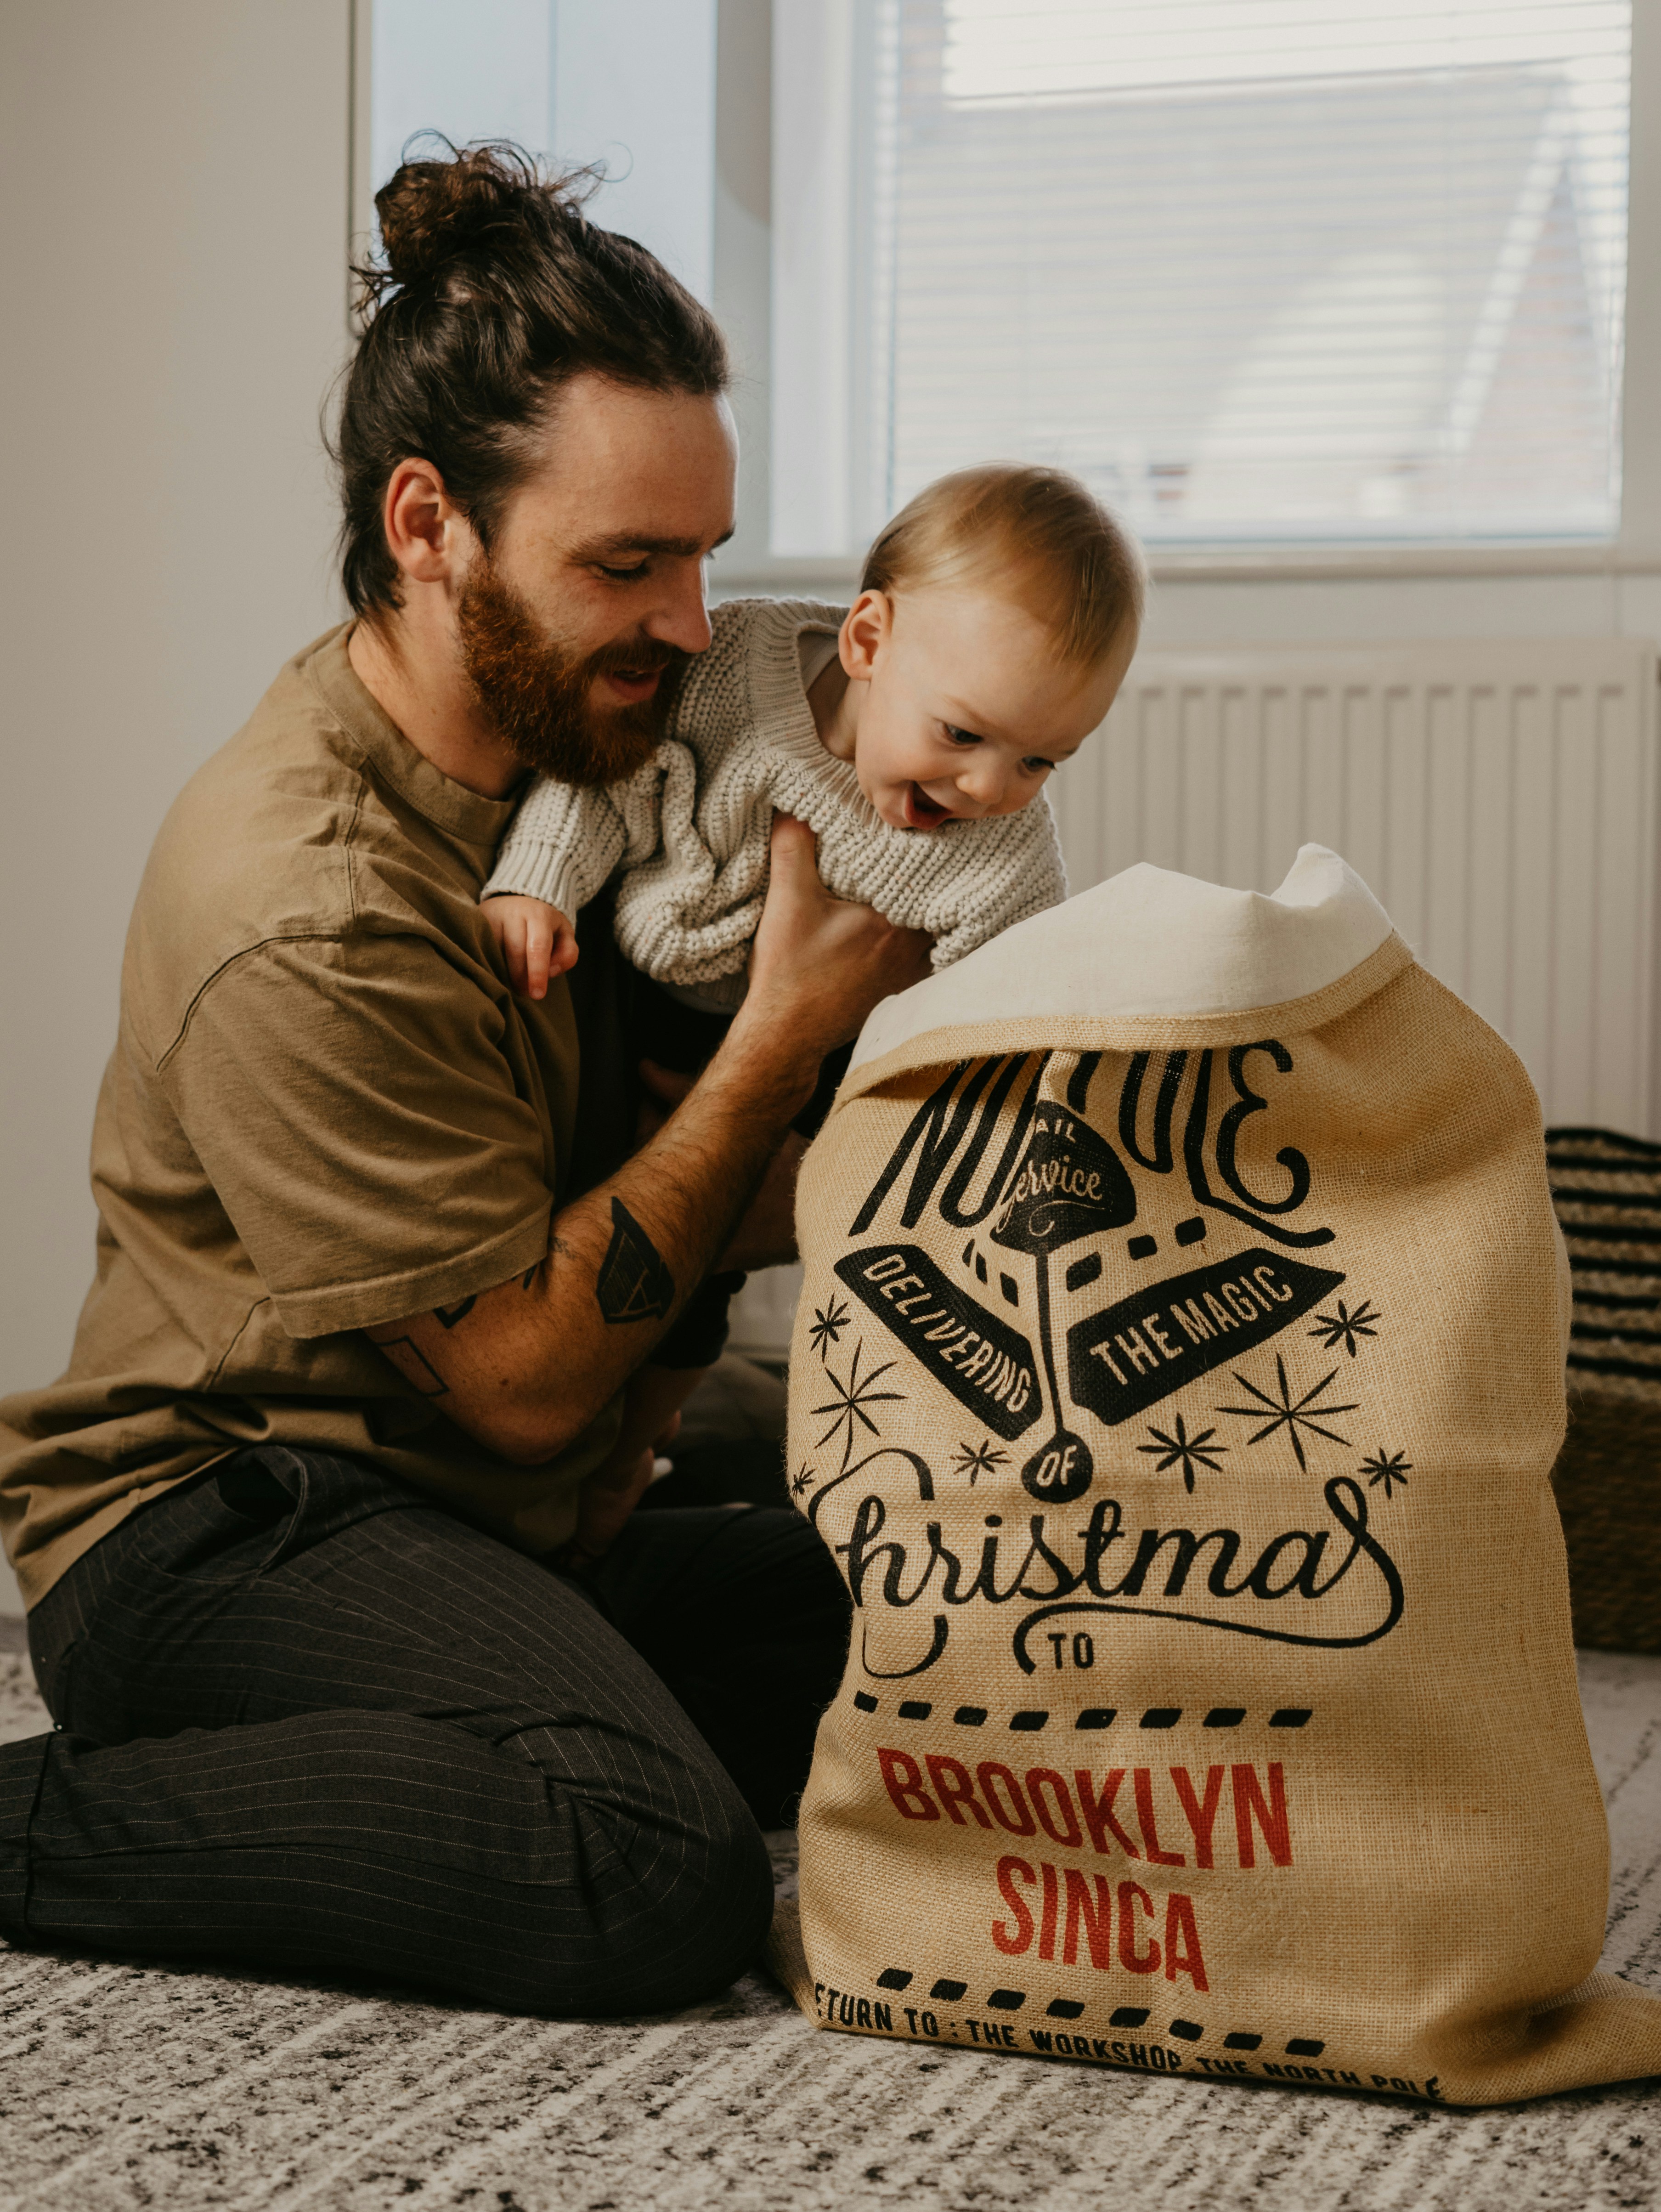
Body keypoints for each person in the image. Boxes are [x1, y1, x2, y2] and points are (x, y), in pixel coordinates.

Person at [0, 143, 932, 2018]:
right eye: (623, 562)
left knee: (926, 1614)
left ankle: (510, 1692)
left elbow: (687, 1220)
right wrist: (773, 1045)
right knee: (642, 1861)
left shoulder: (587, 761)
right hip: (220, 1524)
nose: (685, 621)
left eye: (701, 556)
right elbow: (518, 1384)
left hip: (460, 1487)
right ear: (428, 526)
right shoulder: (305, 892)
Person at [480, 464, 1145, 1009]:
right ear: (868, 642)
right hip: (638, 980)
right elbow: (612, 782)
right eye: (962, 733)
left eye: (1038, 761)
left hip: (837, 1052)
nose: (990, 788)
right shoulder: (728, 669)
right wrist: (540, 883)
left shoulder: (1004, 857)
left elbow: (1008, 1002)